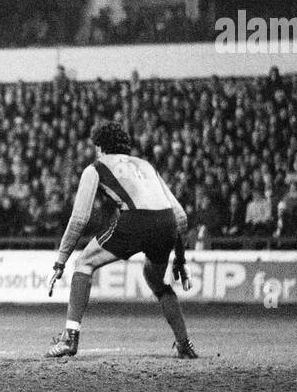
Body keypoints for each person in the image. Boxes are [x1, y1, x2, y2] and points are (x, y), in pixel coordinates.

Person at [46, 123, 197, 359]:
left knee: (84, 263)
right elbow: (180, 217)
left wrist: (60, 262)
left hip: (136, 219)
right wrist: (180, 259)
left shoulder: (96, 167)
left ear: (99, 147)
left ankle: (70, 338)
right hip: (166, 223)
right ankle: (184, 344)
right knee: (156, 281)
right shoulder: (146, 166)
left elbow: (79, 219)